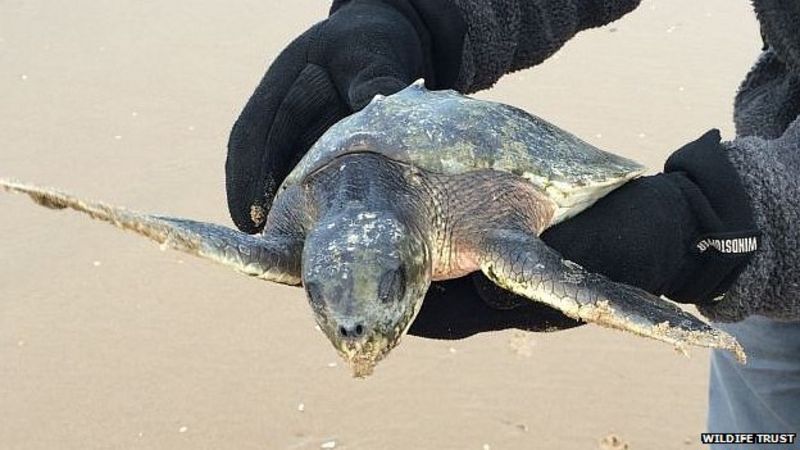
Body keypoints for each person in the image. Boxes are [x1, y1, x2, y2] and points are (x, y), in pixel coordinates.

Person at [225, 0, 800, 442]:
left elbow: (730, 225)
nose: (353, 330)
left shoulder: (475, 224)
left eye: (390, 286)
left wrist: (723, 220)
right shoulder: (302, 210)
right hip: (776, 167)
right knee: (760, 429)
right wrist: (428, 14)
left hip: (768, 202)